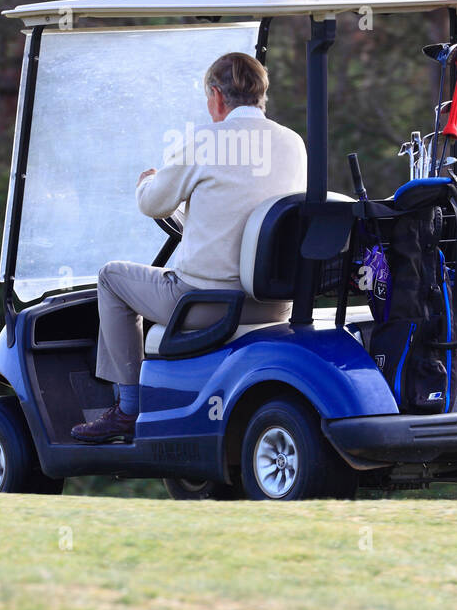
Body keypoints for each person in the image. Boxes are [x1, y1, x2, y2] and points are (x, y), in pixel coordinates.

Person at [71, 52, 307, 442]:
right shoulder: (293, 144)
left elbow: (153, 203)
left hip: (204, 305)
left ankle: (127, 408)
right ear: (261, 95)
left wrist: (147, 181)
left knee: (111, 277)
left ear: (216, 96)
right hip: (272, 304)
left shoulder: (204, 139)